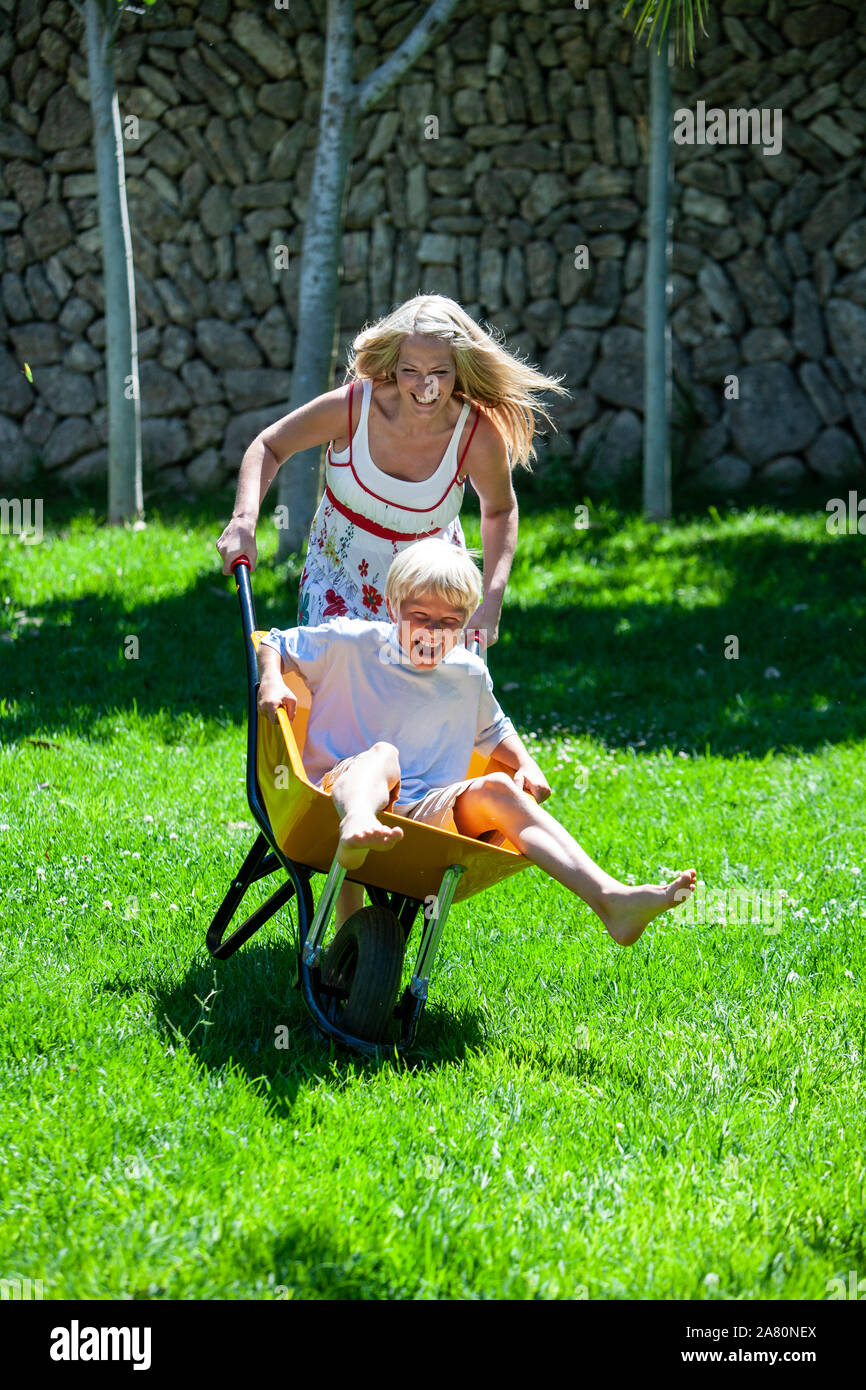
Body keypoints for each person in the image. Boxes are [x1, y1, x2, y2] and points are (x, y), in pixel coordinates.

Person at [256, 539, 696, 945]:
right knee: (384, 755)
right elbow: (274, 642)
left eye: (448, 623)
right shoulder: (354, 642)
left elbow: (494, 730)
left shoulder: (467, 674)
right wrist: (272, 681)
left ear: (466, 624)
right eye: (420, 618)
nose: (432, 633)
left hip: (423, 815)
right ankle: (357, 824)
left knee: (501, 790)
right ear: (392, 607)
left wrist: (526, 763)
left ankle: (610, 899)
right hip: (336, 794)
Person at [216, 294, 569, 648]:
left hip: (432, 599)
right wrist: (243, 522)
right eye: (410, 370)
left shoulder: (475, 436)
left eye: (440, 372)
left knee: (427, 704)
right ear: (393, 364)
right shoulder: (353, 408)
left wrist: (491, 604)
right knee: (336, 698)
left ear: (460, 368)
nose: (425, 387)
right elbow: (270, 446)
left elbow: (500, 509)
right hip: (336, 583)